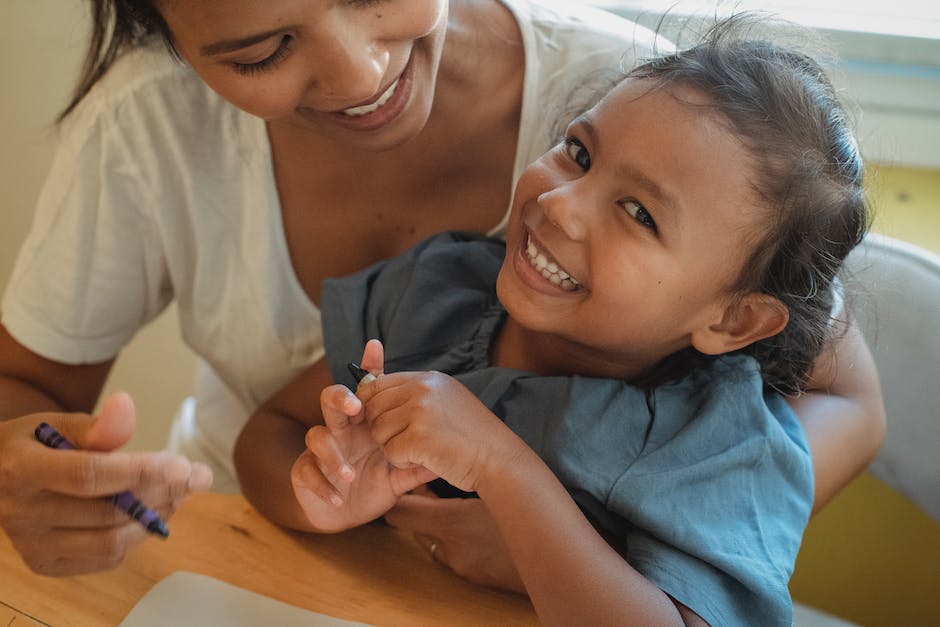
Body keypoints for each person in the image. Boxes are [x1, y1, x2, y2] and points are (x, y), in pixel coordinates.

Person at [0, 0, 882, 580]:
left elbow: (848, 401)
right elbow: (42, 401)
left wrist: (570, 540)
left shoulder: (679, 116)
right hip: (265, 559)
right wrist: (27, 471)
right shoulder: (438, 291)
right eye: (265, 49)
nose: (359, 76)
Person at [240, 18, 872, 625]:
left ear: (734, 321)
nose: (559, 203)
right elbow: (268, 434)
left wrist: (500, 466)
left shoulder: (721, 448)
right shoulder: (435, 296)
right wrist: (326, 500)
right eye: (579, 153)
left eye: (639, 213)